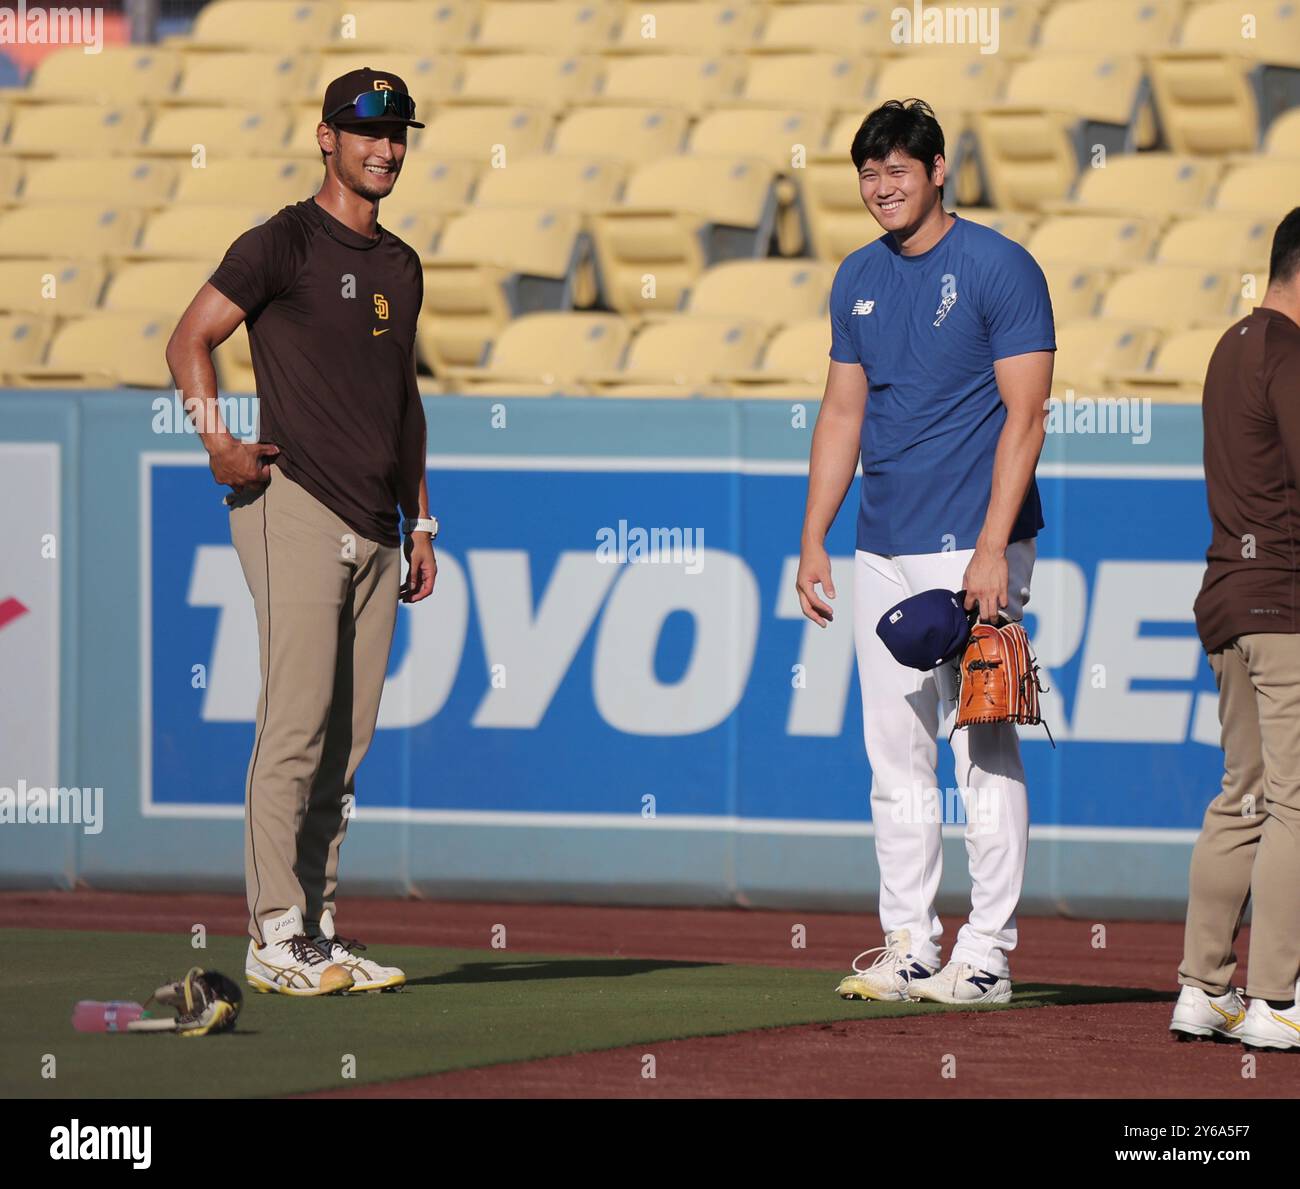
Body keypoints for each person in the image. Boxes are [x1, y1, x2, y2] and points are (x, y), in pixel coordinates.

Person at [165, 67, 437, 996]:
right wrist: (217, 442)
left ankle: (316, 930)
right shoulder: (282, 241)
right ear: (326, 137)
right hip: (296, 505)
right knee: (293, 727)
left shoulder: (401, 264)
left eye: (399, 132)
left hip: (379, 524)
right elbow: (188, 338)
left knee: (346, 743)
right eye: (368, 131)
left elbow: (405, 404)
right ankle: (271, 931)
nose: (387, 148)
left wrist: (422, 518)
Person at [796, 99, 1055, 1005]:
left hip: (975, 544)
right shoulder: (856, 278)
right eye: (869, 172)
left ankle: (985, 952)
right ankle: (909, 941)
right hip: (883, 545)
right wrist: (813, 535)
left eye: (899, 169)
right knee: (894, 751)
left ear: (939, 169)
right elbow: (842, 413)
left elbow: (1028, 417)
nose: (882, 186)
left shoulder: (999, 266)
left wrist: (992, 548)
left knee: (982, 739)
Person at [1174, 207, 1300, 1050]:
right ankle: (1278, 1000)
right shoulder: (1291, 353)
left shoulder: (1229, 344)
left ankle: (1202, 988)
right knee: (1294, 800)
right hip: (1285, 601)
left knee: (1242, 795)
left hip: (1226, 597)